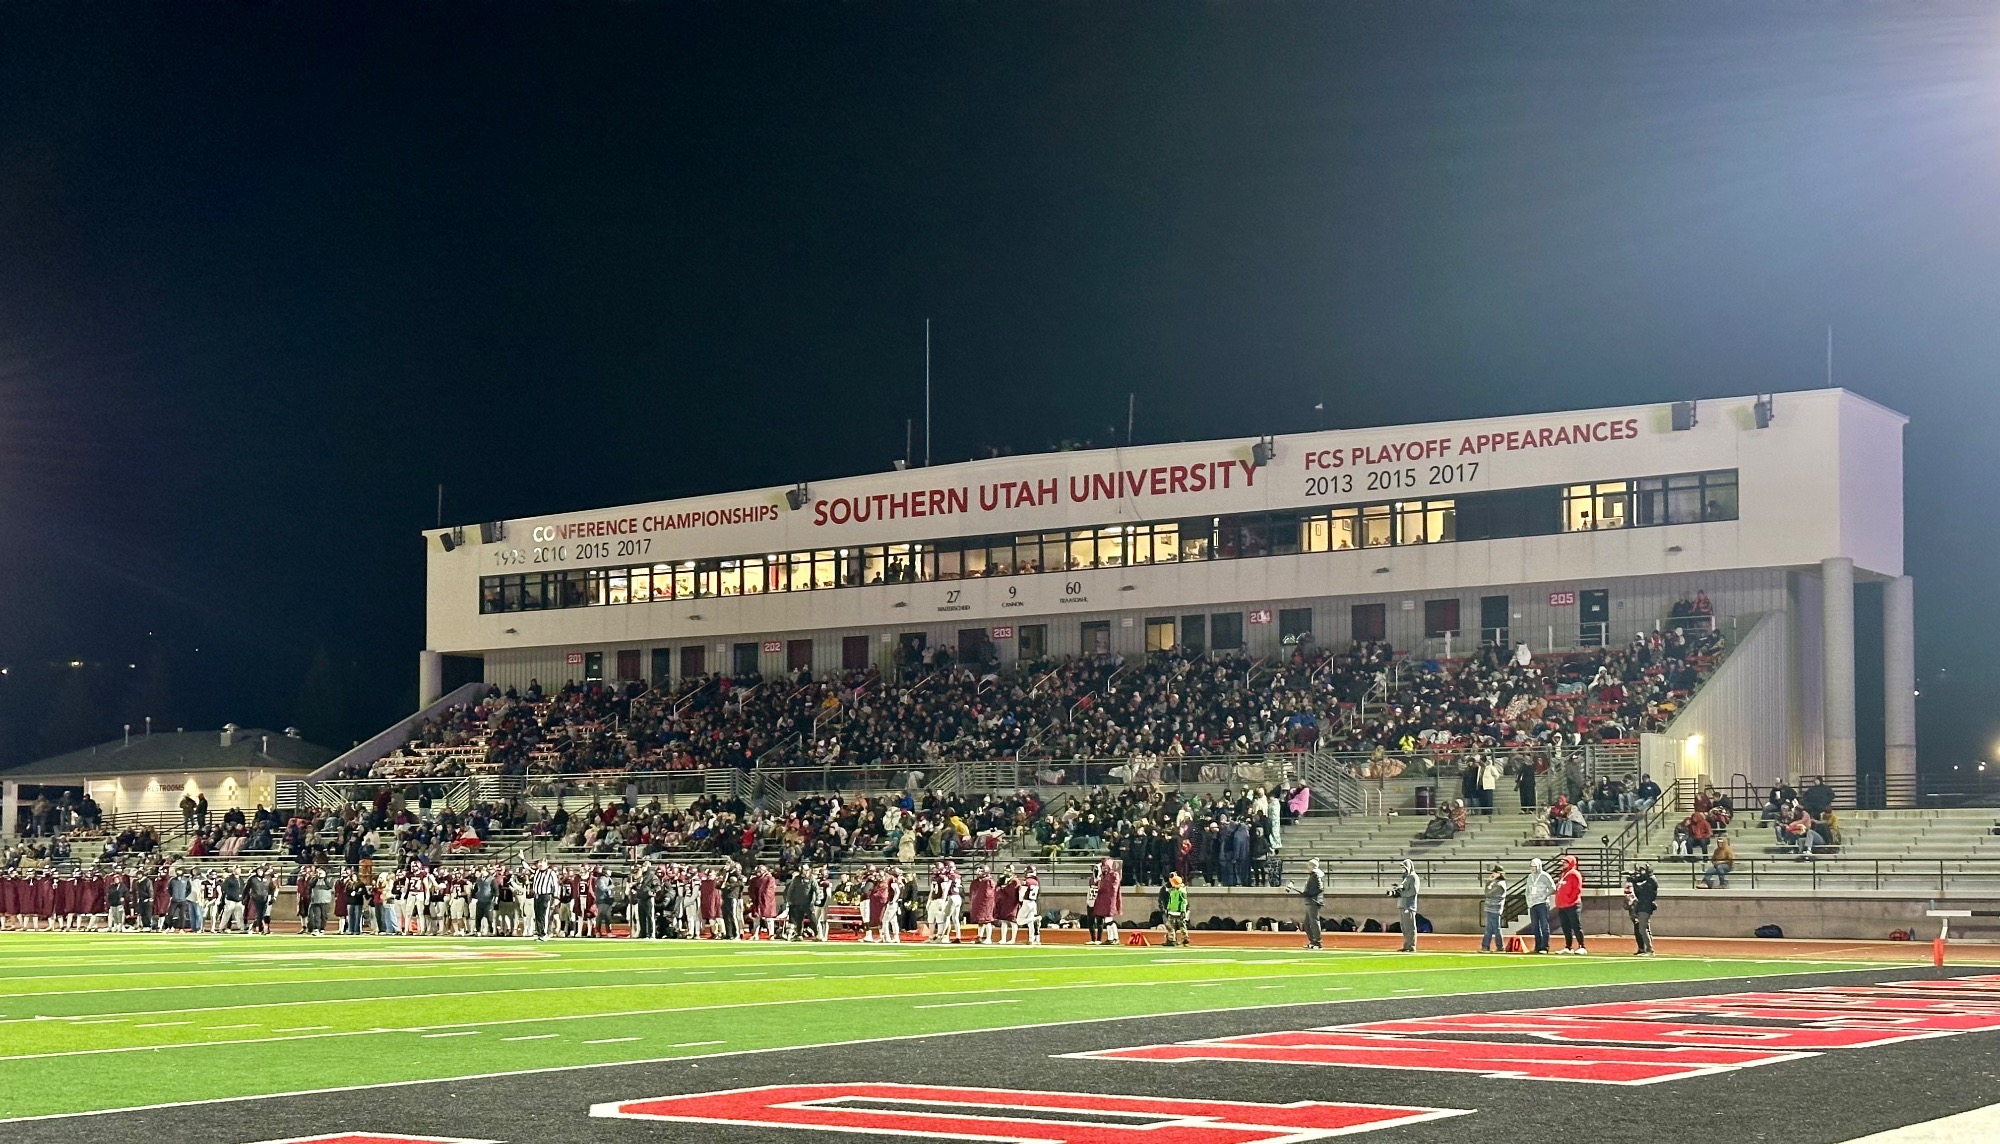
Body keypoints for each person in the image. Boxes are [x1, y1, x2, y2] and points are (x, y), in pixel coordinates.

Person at [1554, 853, 1587, 954]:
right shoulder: (1563, 874)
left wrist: (1569, 900)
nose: (1563, 864)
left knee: (1576, 925)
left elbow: (1577, 890)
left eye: (1565, 862)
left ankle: (1582, 946)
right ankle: (1568, 947)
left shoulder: (1575, 874)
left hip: (1572, 905)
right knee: (1566, 927)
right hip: (1562, 905)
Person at [1625, 863, 1659, 956]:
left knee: (1642, 928)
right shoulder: (1650, 880)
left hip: (1645, 906)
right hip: (1645, 906)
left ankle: (1649, 950)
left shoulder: (1651, 881)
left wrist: (1634, 882)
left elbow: (1640, 892)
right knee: (1645, 928)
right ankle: (1649, 948)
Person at [1387, 858, 1419, 952]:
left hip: (1409, 906)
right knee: (1404, 928)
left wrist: (1400, 894)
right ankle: (1406, 945)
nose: (1402, 869)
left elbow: (1413, 891)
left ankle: (1411, 946)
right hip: (1402, 904)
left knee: (1410, 927)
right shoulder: (1405, 878)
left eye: (1404, 867)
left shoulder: (1413, 877)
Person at [1090, 857, 1123, 946]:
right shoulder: (1104, 876)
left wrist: (1100, 882)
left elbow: (1110, 888)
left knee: (1109, 920)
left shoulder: (1114, 875)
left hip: (1109, 900)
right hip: (1104, 900)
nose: (1103, 868)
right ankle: (1110, 938)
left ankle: (1115, 938)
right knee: (1107, 920)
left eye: (1105, 866)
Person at [1526, 858, 1555, 954]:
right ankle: (1537, 946)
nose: (1533, 868)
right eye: (1531, 866)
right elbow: (1527, 890)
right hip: (1532, 904)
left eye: (1534, 866)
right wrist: (1528, 901)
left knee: (1544, 925)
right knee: (1535, 926)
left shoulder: (1545, 876)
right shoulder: (1530, 877)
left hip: (1542, 903)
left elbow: (1552, 888)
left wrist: (1545, 896)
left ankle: (1545, 947)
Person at [1479, 866, 1507, 952]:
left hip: (1494, 908)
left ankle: (1499, 946)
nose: (1492, 874)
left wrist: (1488, 882)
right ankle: (1486, 946)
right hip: (1492, 908)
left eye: (1494, 873)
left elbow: (1488, 893)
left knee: (1495, 928)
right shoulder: (1497, 883)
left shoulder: (1499, 884)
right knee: (1490, 928)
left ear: (1499, 873)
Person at [1300, 857, 1324, 950]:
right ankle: (1312, 941)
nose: (1307, 867)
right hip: (1309, 901)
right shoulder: (1312, 876)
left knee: (1313, 922)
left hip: (1313, 902)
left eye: (1309, 865)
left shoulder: (1315, 876)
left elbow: (1319, 889)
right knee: (1307, 923)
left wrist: (1309, 893)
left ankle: (1317, 942)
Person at [1162, 874, 1190, 947]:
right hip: (1172, 911)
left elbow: (1184, 902)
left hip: (1179, 912)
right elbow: (1170, 901)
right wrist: (1168, 908)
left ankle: (1184, 939)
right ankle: (1172, 939)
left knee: (1181, 926)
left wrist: (1183, 911)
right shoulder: (1173, 890)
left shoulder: (1182, 891)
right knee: (1170, 926)